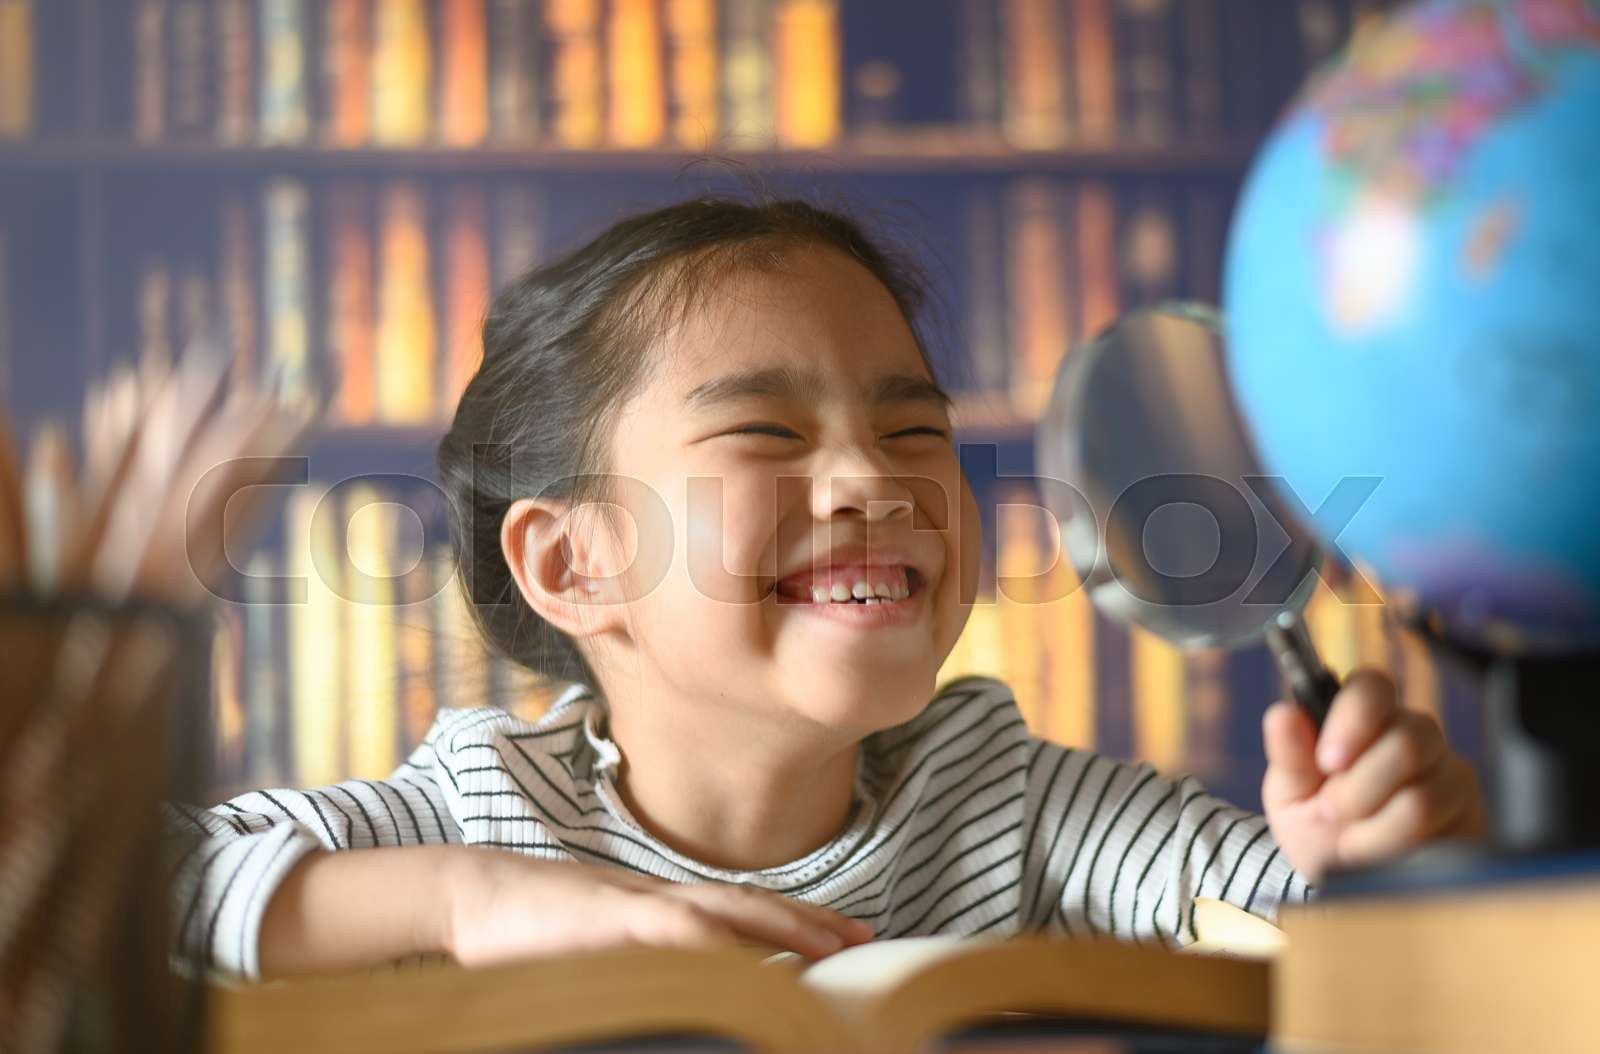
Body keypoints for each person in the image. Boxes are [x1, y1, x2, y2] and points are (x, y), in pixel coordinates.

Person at [167, 196, 1486, 983]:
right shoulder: (477, 814)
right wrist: (473, 903)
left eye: (915, 430)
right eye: (766, 431)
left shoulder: (1016, 804)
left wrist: (1377, 867)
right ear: (573, 563)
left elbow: (1325, 945)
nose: (875, 478)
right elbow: (135, 887)